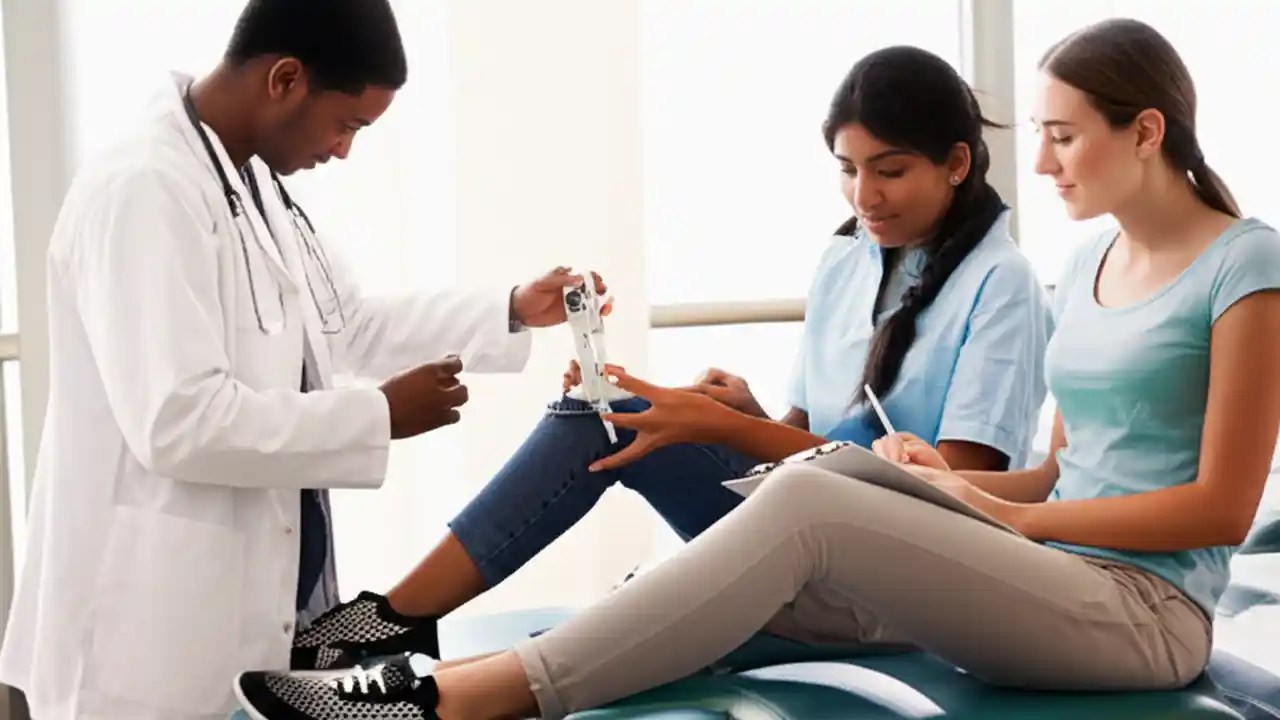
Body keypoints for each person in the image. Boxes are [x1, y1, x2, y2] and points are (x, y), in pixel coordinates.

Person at [235, 18, 1280, 720]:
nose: (1042, 162)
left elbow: (1220, 510)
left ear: (1141, 132)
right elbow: (1056, 474)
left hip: (1144, 616)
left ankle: (440, 704)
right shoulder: (1090, 259)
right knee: (808, 479)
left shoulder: (1245, 265)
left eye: (1060, 137)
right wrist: (949, 487)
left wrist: (1001, 514)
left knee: (812, 501)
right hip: (1046, 569)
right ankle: (410, 670)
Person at [257, 43, 1051, 678]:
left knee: (607, 455)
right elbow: (804, 440)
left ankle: (381, 627)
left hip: (908, 571)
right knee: (600, 412)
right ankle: (385, 627)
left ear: (955, 162)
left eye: (890, 171)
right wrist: (745, 417)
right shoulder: (846, 261)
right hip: (810, 520)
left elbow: (953, 494)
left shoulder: (1002, 284)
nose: (864, 197)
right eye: (848, 170)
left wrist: (714, 428)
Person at [0, 1, 603, 719]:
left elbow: (343, 325)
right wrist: (379, 414)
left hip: (238, 606)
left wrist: (508, 306)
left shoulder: (253, 184)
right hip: (141, 630)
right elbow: (177, 420)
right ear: (286, 79)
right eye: (346, 124)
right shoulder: (145, 188)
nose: (345, 150)